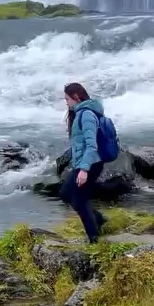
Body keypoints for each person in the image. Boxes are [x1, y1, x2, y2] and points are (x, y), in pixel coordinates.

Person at [60, 82, 107, 243]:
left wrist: (84, 170)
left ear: (75, 97)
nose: (66, 103)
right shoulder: (79, 113)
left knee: (79, 201)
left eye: (67, 99)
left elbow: (92, 145)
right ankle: (98, 218)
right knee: (66, 193)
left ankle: (94, 239)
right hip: (82, 163)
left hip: (90, 164)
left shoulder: (86, 115)